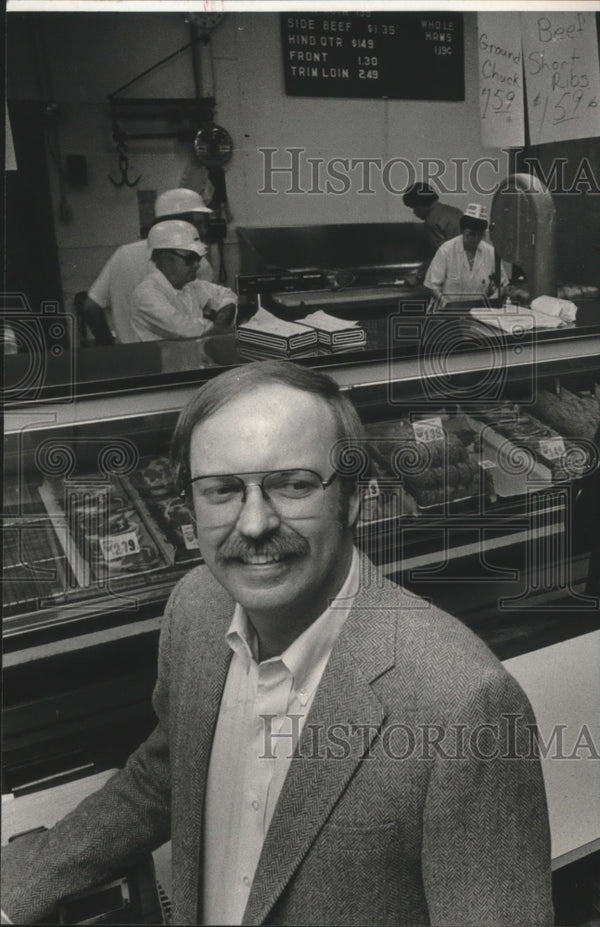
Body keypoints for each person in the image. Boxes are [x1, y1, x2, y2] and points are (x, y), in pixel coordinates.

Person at [1, 360, 554, 926]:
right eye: (221, 490)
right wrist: (16, 887)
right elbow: (169, 774)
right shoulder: (196, 608)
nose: (255, 523)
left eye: (293, 485)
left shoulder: (464, 702)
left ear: (354, 499)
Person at [83, 188, 215, 344]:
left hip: (132, 360)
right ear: (179, 223)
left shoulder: (123, 254)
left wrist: (109, 348)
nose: (204, 230)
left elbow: (91, 307)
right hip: (178, 362)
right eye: (199, 223)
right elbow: (207, 319)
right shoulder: (197, 263)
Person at [130, 220, 237, 342]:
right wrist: (221, 328)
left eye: (198, 258)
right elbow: (184, 329)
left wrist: (220, 322)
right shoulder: (146, 295)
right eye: (190, 258)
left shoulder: (191, 285)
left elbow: (227, 295)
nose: (197, 265)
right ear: (165, 258)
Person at [424, 203, 509, 307]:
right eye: (471, 234)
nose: (475, 239)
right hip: (447, 310)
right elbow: (432, 285)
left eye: (480, 234)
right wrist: (446, 305)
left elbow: (503, 285)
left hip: (478, 310)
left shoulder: (490, 252)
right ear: (462, 231)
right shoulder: (446, 250)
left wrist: (490, 302)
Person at [402, 182, 462, 285]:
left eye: (414, 207)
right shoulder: (456, 212)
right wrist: (422, 268)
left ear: (422, 204)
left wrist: (418, 278)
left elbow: (442, 258)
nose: (414, 212)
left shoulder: (432, 222)